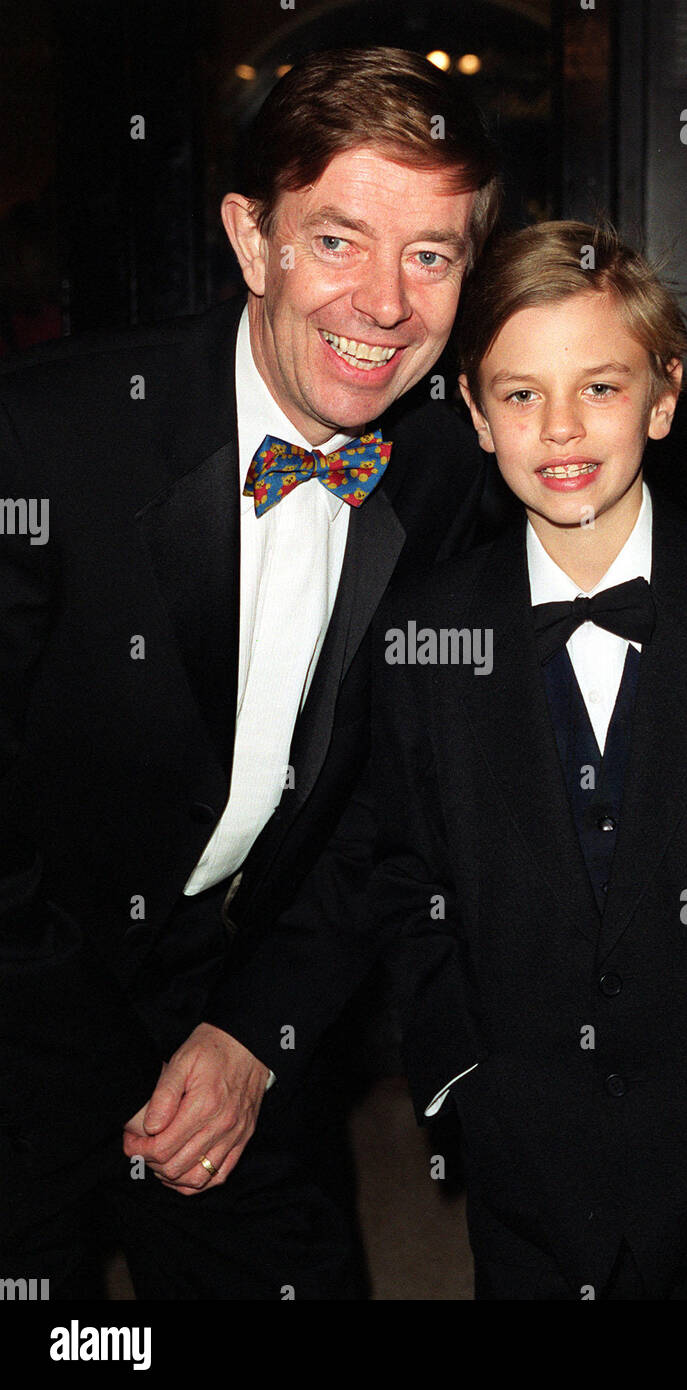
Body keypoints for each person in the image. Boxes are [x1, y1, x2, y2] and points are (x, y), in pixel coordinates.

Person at [0, 46, 501, 1300]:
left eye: (430, 254)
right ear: (249, 238)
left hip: (224, 992)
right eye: (336, 239)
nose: (385, 304)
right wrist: (99, 1060)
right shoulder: (45, 439)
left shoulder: (442, 475)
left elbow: (380, 806)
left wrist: (250, 1032)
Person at [370, 220, 687, 1299]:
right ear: (470, 412)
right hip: (533, 1189)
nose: (559, 427)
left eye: (598, 387)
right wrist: (465, 1078)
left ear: (661, 396)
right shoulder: (419, 631)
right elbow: (398, 873)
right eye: (518, 394)